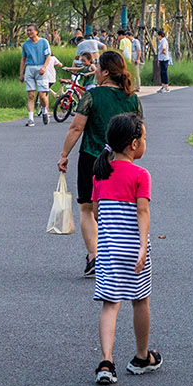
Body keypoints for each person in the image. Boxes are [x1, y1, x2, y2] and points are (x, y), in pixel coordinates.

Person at [57, 50, 143, 279]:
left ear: (105, 72)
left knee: (87, 207)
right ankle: (123, 255)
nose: (94, 71)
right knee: (120, 209)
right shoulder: (132, 98)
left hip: (91, 158)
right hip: (123, 161)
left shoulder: (91, 96)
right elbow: (140, 131)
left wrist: (64, 154)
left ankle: (94, 255)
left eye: (96, 68)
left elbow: (76, 128)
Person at [88, 111, 159, 384]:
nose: (144, 142)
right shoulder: (141, 174)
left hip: (107, 250)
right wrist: (142, 248)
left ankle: (106, 362)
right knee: (140, 300)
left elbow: (95, 213)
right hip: (134, 250)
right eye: (143, 138)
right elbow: (143, 213)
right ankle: (142, 356)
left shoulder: (100, 173)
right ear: (133, 144)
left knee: (110, 305)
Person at [20, 24, 51, 126]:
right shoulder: (25, 45)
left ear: (36, 31)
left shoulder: (44, 42)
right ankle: (30, 119)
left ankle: (44, 111)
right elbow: (23, 59)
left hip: (41, 68)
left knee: (42, 96)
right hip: (30, 68)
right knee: (31, 95)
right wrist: (21, 73)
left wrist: (44, 67)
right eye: (27, 31)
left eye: (30, 30)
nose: (29, 32)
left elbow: (48, 57)